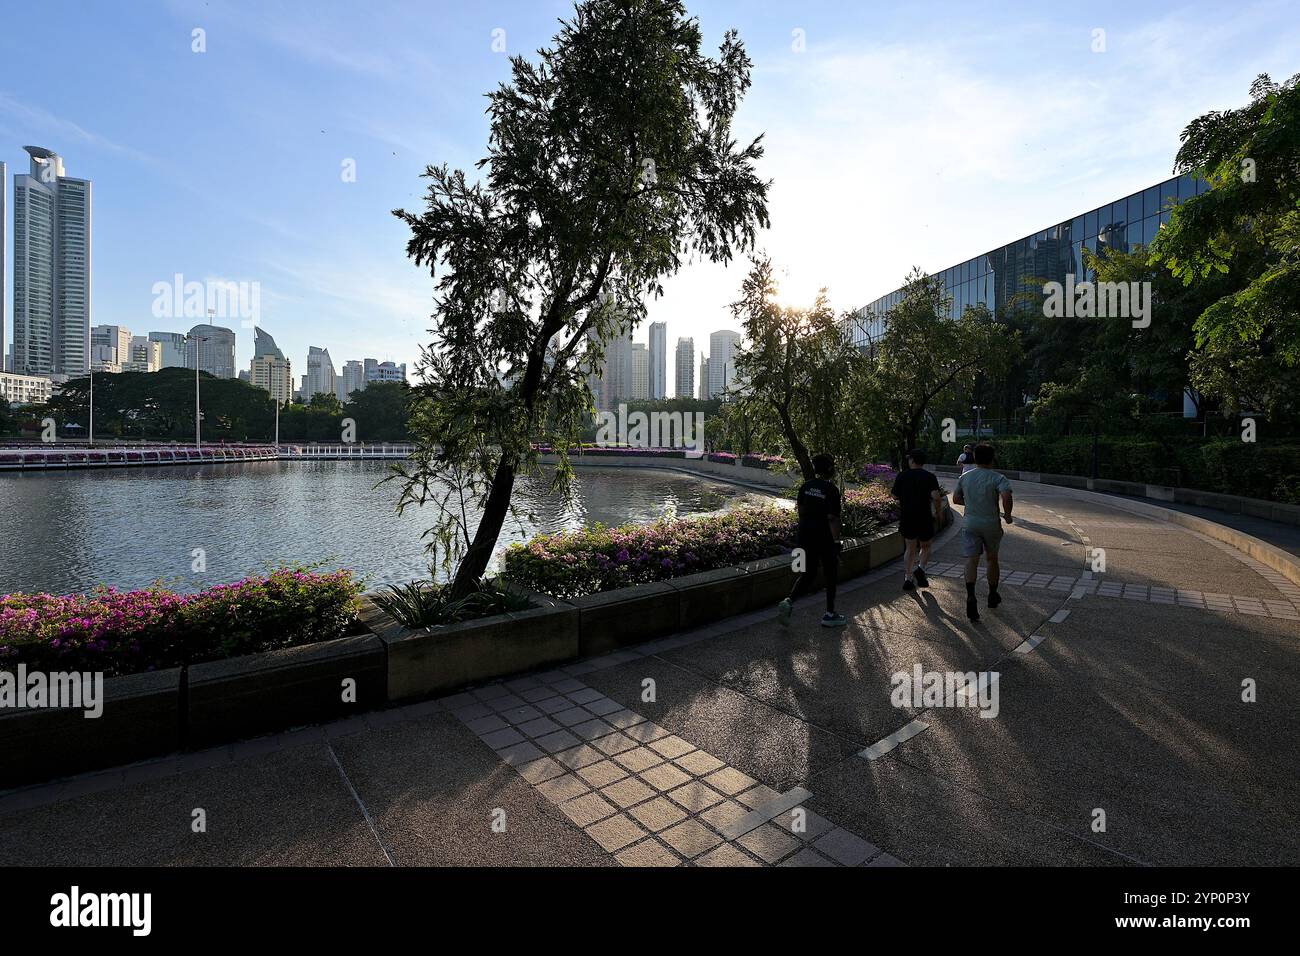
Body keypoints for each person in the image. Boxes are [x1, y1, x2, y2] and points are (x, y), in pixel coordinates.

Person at [778, 453, 847, 628]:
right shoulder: (831, 490)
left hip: (803, 535)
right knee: (831, 574)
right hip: (823, 538)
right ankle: (830, 614)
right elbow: (832, 518)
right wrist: (836, 542)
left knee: (807, 574)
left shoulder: (806, 486)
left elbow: (800, 510)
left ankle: (788, 601)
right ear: (831, 470)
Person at [952, 443, 1013, 622]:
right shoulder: (998, 478)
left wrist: (970, 505)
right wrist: (1007, 515)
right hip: (991, 524)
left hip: (970, 523)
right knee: (992, 558)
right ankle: (992, 595)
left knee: (972, 560)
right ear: (992, 459)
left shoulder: (965, 477)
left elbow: (956, 498)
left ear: (975, 458)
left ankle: (971, 595)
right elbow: (1007, 496)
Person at [890, 448, 945, 591]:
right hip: (924, 516)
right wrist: (938, 512)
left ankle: (908, 578)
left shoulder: (902, 476)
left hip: (908, 516)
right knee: (926, 546)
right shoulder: (929, 477)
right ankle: (920, 569)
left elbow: (894, 496)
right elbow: (937, 497)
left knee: (910, 547)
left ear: (912, 460)